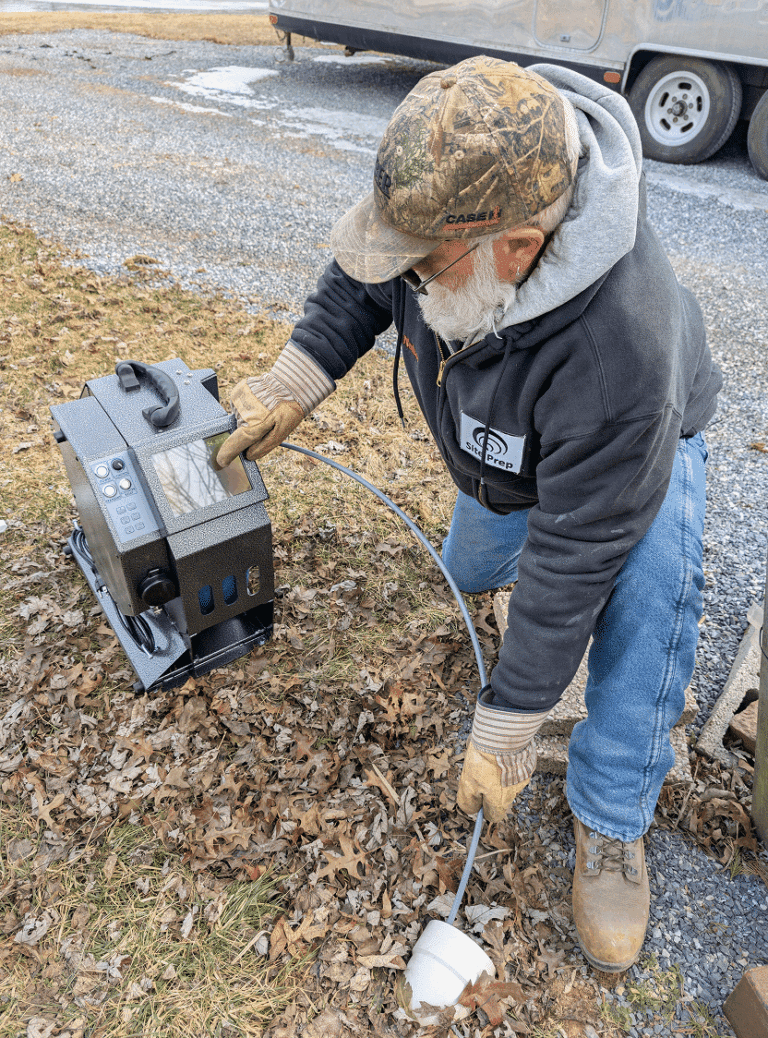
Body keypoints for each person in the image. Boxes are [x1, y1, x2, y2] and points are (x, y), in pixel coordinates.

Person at [217, 56, 721, 973]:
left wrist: (509, 719)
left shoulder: (621, 359)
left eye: (427, 266)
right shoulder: (462, 182)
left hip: (624, 462)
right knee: (477, 568)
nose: (407, 276)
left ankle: (612, 817)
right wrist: (299, 375)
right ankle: (499, 592)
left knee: (642, 596)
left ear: (518, 249)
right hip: (501, 446)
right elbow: (374, 268)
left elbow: (575, 554)